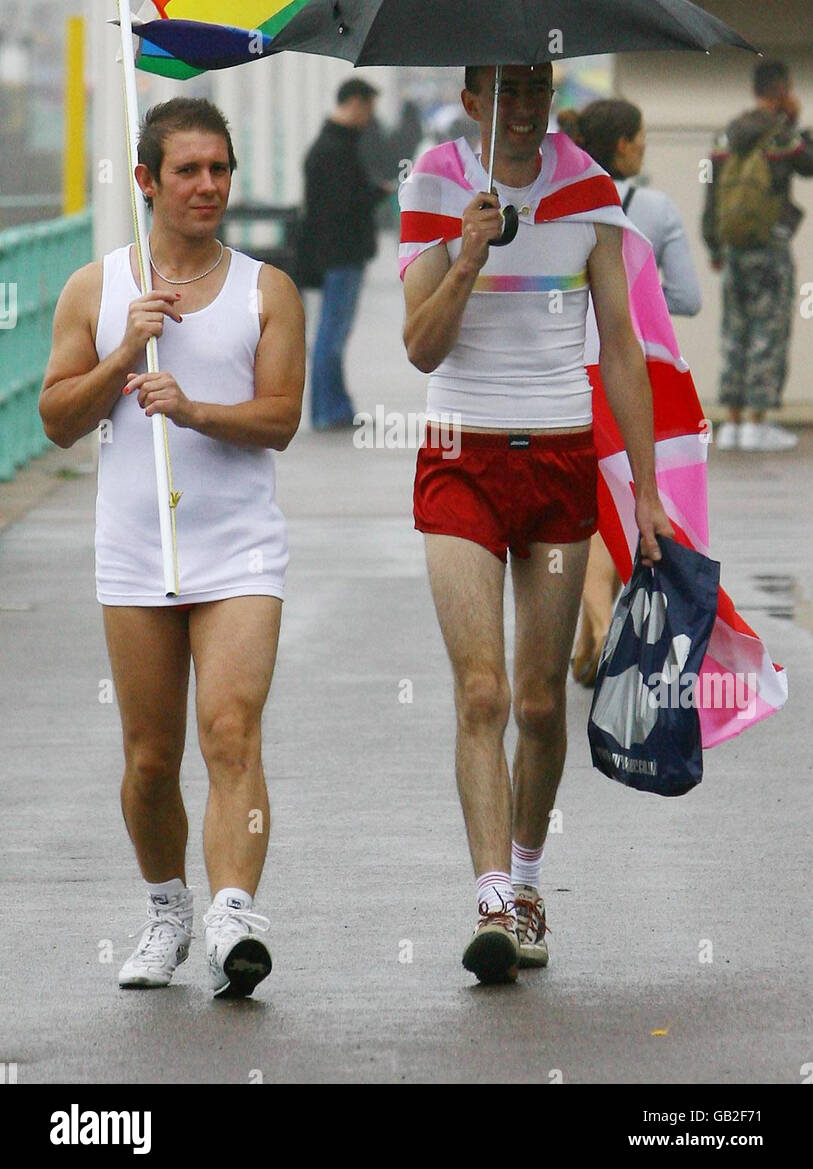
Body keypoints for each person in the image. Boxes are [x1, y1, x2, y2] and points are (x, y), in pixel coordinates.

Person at [399, 65, 674, 983]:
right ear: (474, 100)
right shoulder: (435, 180)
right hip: (458, 456)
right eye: (507, 90)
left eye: (539, 88)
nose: (525, 107)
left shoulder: (588, 188)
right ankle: (486, 900)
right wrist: (467, 255)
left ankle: (526, 881)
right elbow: (419, 346)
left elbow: (623, 347)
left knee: (539, 700)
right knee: (478, 693)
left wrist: (643, 490)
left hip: (555, 454)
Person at [39, 97, 305, 999]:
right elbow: (56, 420)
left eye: (220, 169)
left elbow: (279, 421)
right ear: (146, 179)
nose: (208, 187)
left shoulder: (267, 289)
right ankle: (167, 912)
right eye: (187, 170)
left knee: (230, 731)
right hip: (135, 549)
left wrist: (190, 406)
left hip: (237, 550)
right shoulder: (97, 287)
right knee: (150, 759)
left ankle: (234, 911)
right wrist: (122, 357)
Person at [559, 99, 701, 685]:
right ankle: (609, 622)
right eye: (641, 137)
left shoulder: (565, 206)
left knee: (592, 514)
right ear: (622, 146)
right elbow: (689, 299)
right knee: (634, 502)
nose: (644, 145)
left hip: (572, 371)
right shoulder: (657, 209)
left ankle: (595, 620)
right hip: (636, 375)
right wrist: (639, 300)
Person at [702, 59, 813, 452]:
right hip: (771, 249)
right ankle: (757, 423)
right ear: (781, 90)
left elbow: (710, 188)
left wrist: (713, 243)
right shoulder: (782, 137)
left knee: (735, 332)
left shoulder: (724, 136)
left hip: (733, 249)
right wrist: (797, 122)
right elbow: (809, 164)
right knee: (770, 331)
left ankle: (730, 424)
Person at [301, 78, 392, 430]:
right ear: (354, 103)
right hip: (341, 254)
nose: (370, 117)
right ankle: (328, 410)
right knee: (331, 334)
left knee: (332, 332)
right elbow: (343, 204)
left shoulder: (330, 145)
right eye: (368, 108)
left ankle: (335, 406)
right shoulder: (334, 149)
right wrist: (374, 194)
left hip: (334, 253)